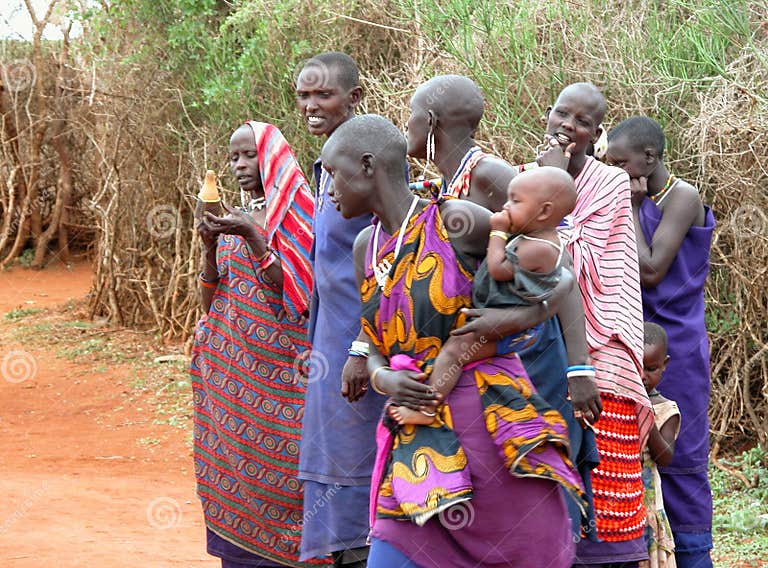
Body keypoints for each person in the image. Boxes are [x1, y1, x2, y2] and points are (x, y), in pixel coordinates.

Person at [323, 113, 585, 567]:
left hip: (491, 431)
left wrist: (522, 321)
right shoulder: (365, 246)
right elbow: (372, 341)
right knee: (392, 553)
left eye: (333, 173)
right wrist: (384, 377)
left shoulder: (457, 221)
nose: (329, 188)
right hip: (418, 441)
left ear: (368, 167)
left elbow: (559, 274)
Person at [405, 74, 602, 537]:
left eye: (412, 116)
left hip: (532, 350)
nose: (407, 127)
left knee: (539, 479)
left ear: (431, 122)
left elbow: (562, 268)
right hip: (493, 350)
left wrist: (579, 367)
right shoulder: (444, 183)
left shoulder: (490, 176)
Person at [191, 121, 329, 567]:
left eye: (249, 155)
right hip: (231, 386)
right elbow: (212, 300)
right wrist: (211, 250)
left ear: (272, 157)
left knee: (290, 482)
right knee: (234, 482)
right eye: (233, 158)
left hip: (286, 381)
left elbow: (304, 295)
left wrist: (253, 236)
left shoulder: (300, 218)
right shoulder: (232, 216)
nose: (239, 166)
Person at [534, 83, 653, 567]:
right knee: (549, 489)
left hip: (600, 348)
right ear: (548, 114)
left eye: (582, 122)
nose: (569, 126)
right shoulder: (526, 175)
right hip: (542, 346)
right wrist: (547, 178)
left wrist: (554, 187)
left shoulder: (609, 183)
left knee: (607, 505)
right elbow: (519, 263)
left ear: (596, 134)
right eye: (562, 114)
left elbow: (573, 261)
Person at [606, 116, 716, 568]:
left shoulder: (682, 197)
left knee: (682, 455)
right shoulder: (632, 192)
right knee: (635, 449)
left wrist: (631, 208)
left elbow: (650, 270)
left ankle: (693, 556)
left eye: (621, 162)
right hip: (636, 346)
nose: (614, 170)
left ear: (649, 159)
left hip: (678, 350)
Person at [390, 166, 578, 426]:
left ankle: (429, 406)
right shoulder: (534, 235)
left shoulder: (540, 248)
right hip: (502, 318)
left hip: (506, 327)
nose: (505, 206)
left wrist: (497, 231)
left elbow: (498, 269)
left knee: (454, 352)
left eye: (515, 201)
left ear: (545, 211)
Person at [294, 51, 385, 568]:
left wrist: (362, 345)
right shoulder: (328, 164)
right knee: (338, 470)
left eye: (322, 94)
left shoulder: (367, 162)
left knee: (361, 474)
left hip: (364, 351)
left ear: (354, 98)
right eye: (303, 96)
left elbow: (395, 258)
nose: (310, 105)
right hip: (332, 345)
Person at [639, 322, 680, 568]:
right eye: (637, 366)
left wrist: (646, 418)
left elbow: (664, 457)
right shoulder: (619, 401)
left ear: (664, 364)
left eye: (651, 368)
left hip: (649, 500)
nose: (643, 375)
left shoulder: (667, 409)